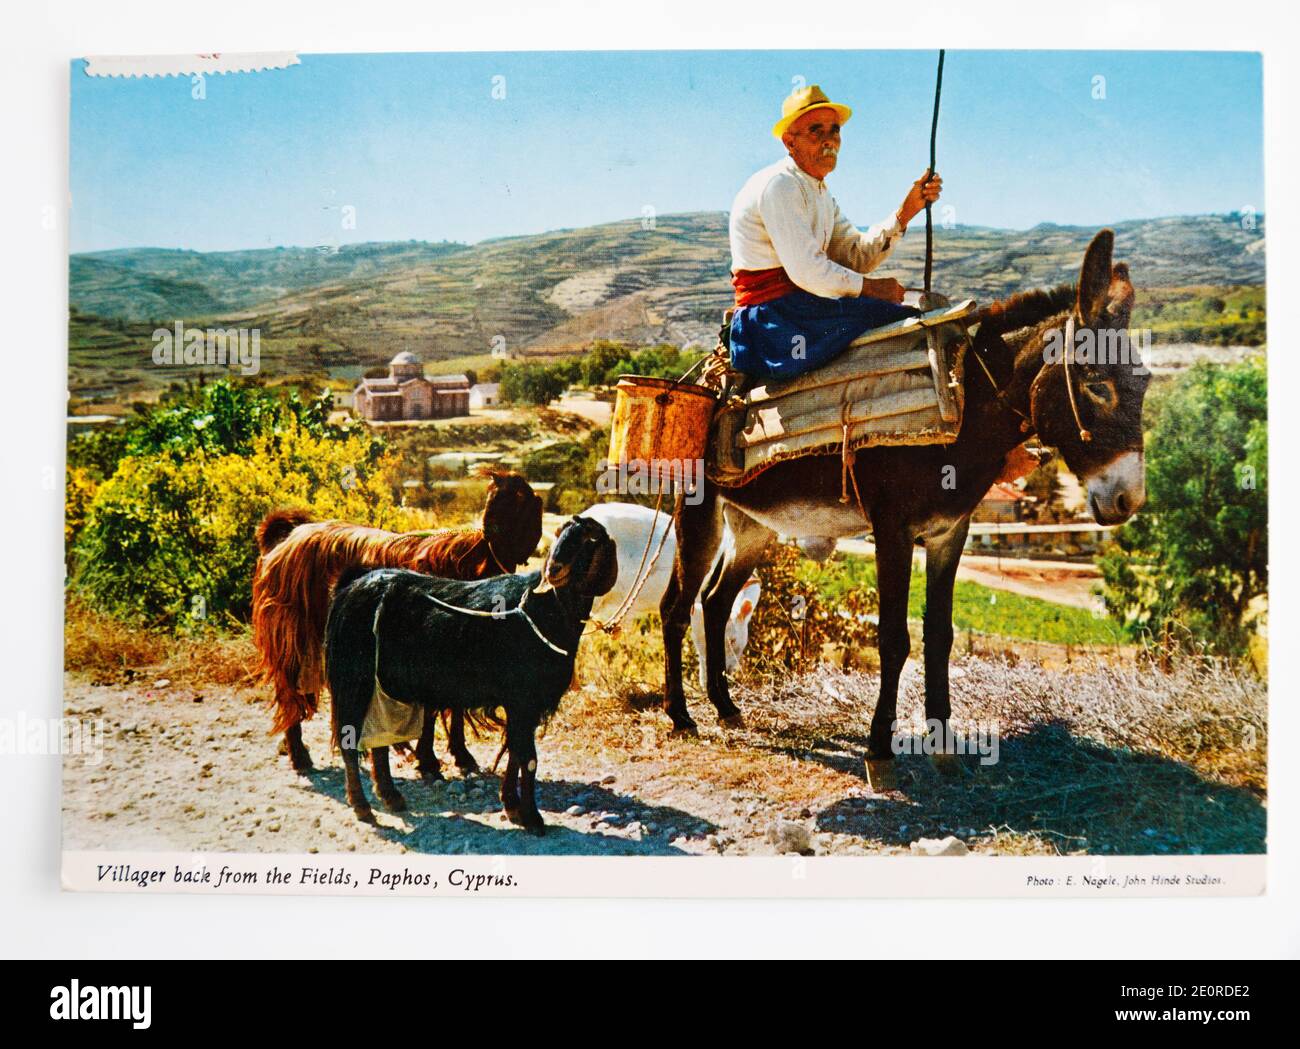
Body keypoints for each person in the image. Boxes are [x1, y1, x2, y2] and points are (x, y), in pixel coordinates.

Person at [728, 84, 943, 382]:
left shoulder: (820, 193)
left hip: (802, 310)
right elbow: (807, 271)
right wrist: (872, 289)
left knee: (903, 317)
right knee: (900, 323)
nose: (829, 139)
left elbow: (855, 256)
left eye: (835, 130)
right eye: (816, 131)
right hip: (775, 322)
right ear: (790, 143)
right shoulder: (780, 186)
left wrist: (905, 213)